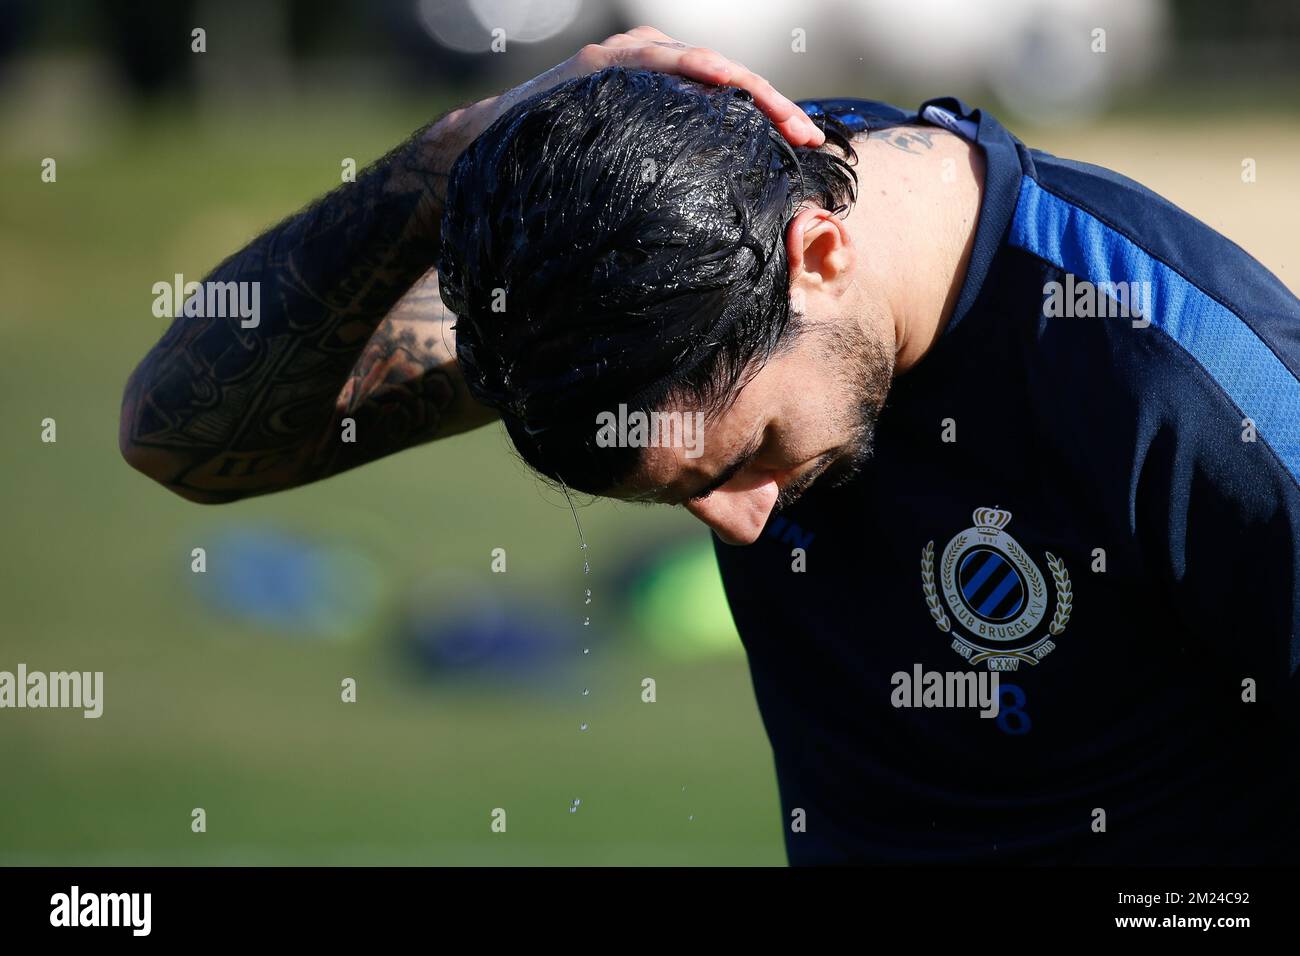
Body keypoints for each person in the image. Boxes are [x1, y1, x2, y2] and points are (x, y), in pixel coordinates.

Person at [121, 27, 1300, 865]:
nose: (738, 523)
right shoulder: (629, 271)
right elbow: (191, 440)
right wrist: (457, 152)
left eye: (744, 455)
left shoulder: (1192, 386)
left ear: (819, 259)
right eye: (679, 491)